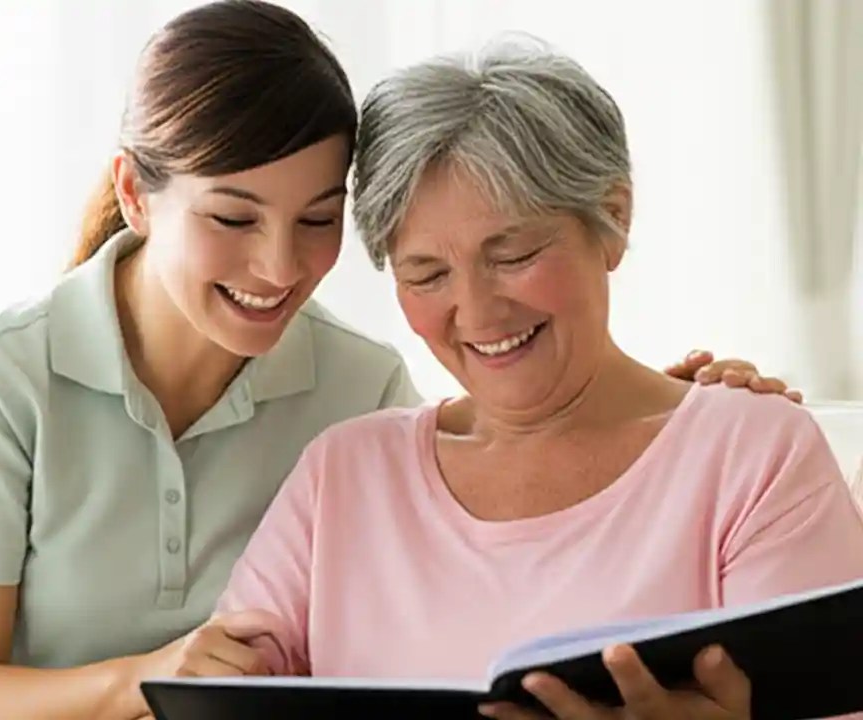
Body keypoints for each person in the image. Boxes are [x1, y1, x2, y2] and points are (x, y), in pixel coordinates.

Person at [0, 5, 795, 719]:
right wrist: (150, 677)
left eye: (318, 219)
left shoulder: (357, 395)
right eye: (234, 219)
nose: (280, 268)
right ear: (136, 194)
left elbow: (516, 424)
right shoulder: (6, 379)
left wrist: (694, 419)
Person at [215, 38, 863, 720]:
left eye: (514, 254)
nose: (478, 312)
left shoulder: (752, 455)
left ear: (613, 217)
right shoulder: (339, 477)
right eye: (427, 274)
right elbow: (216, 691)